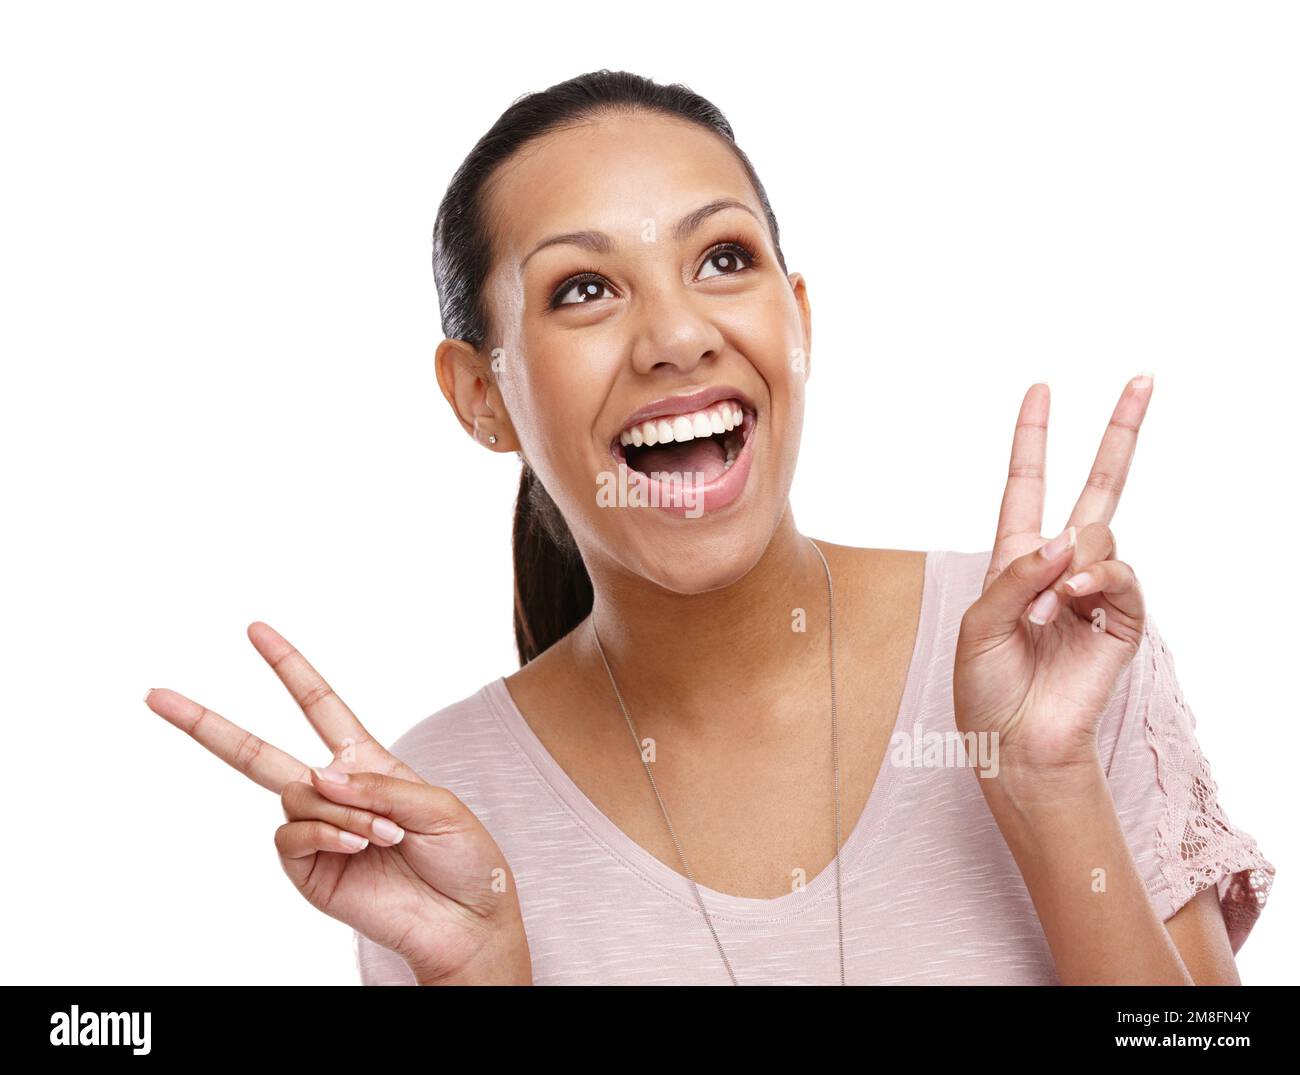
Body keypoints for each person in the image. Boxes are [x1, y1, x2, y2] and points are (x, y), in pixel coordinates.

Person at [144, 69, 1274, 985]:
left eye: (722, 260)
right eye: (583, 288)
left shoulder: (1046, 649)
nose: (676, 334)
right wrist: (485, 972)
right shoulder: (435, 811)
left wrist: (1046, 782)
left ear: (797, 319)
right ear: (478, 394)